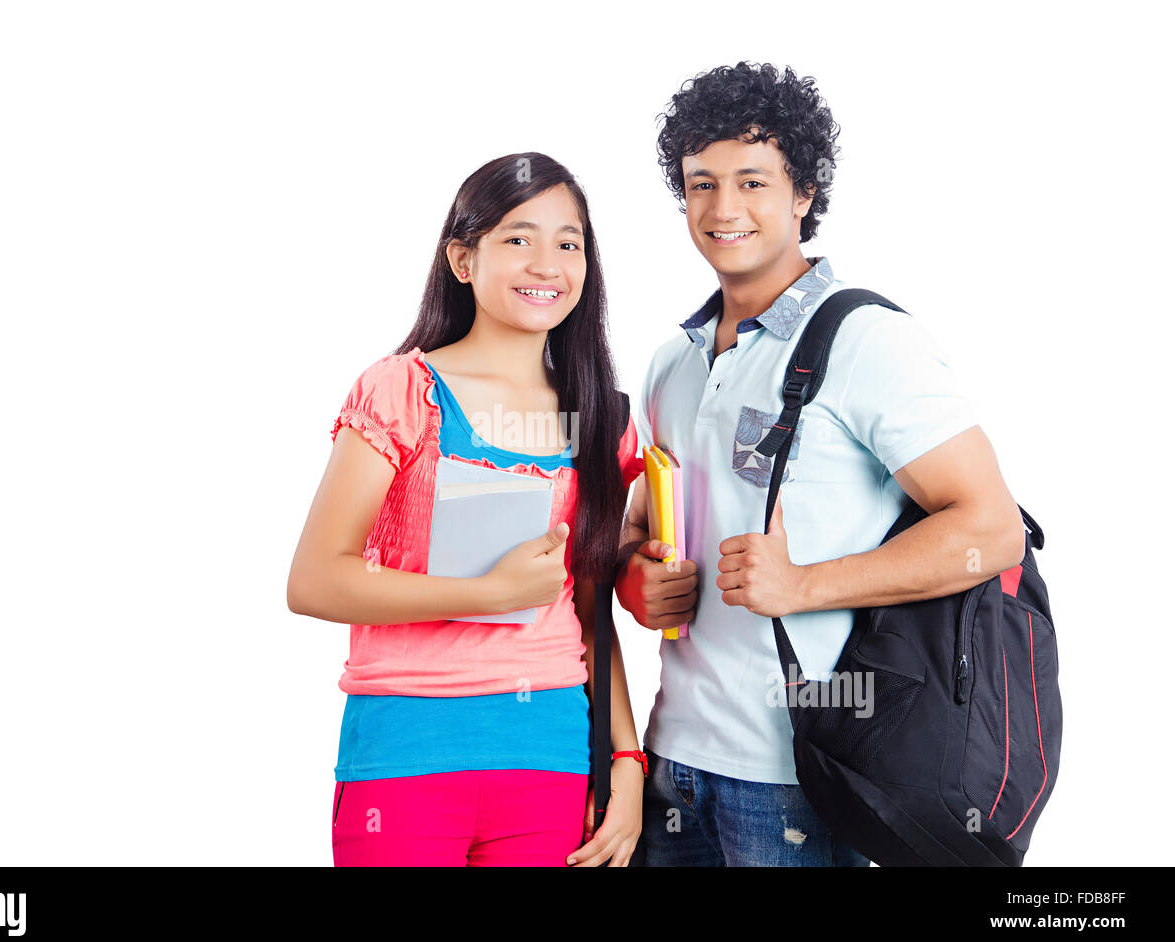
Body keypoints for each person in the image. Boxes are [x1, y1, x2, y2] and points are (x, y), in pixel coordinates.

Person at [618, 62, 1026, 866]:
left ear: (803, 193)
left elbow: (993, 529)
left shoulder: (870, 342)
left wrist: (804, 585)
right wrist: (637, 578)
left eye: (753, 182)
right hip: (674, 762)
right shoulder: (673, 362)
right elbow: (642, 523)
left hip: (800, 774)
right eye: (702, 184)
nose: (723, 209)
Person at [287, 153, 646, 866]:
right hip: (404, 751)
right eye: (518, 238)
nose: (546, 263)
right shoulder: (402, 390)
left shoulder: (604, 420)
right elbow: (314, 580)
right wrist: (490, 593)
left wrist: (628, 759)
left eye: (567, 243)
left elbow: (590, 605)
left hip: (548, 753)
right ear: (462, 258)